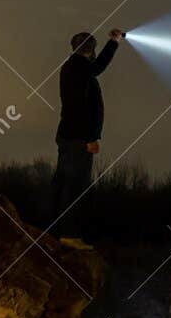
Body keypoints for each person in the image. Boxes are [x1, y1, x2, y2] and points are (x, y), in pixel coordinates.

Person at [51, 28, 122, 228]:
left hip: (69, 135)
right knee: (75, 186)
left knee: (63, 183)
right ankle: (69, 234)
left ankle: (53, 231)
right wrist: (90, 137)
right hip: (78, 138)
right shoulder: (80, 68)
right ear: (90, 50)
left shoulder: (74, 67)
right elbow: (81, 105)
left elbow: (95, 67)